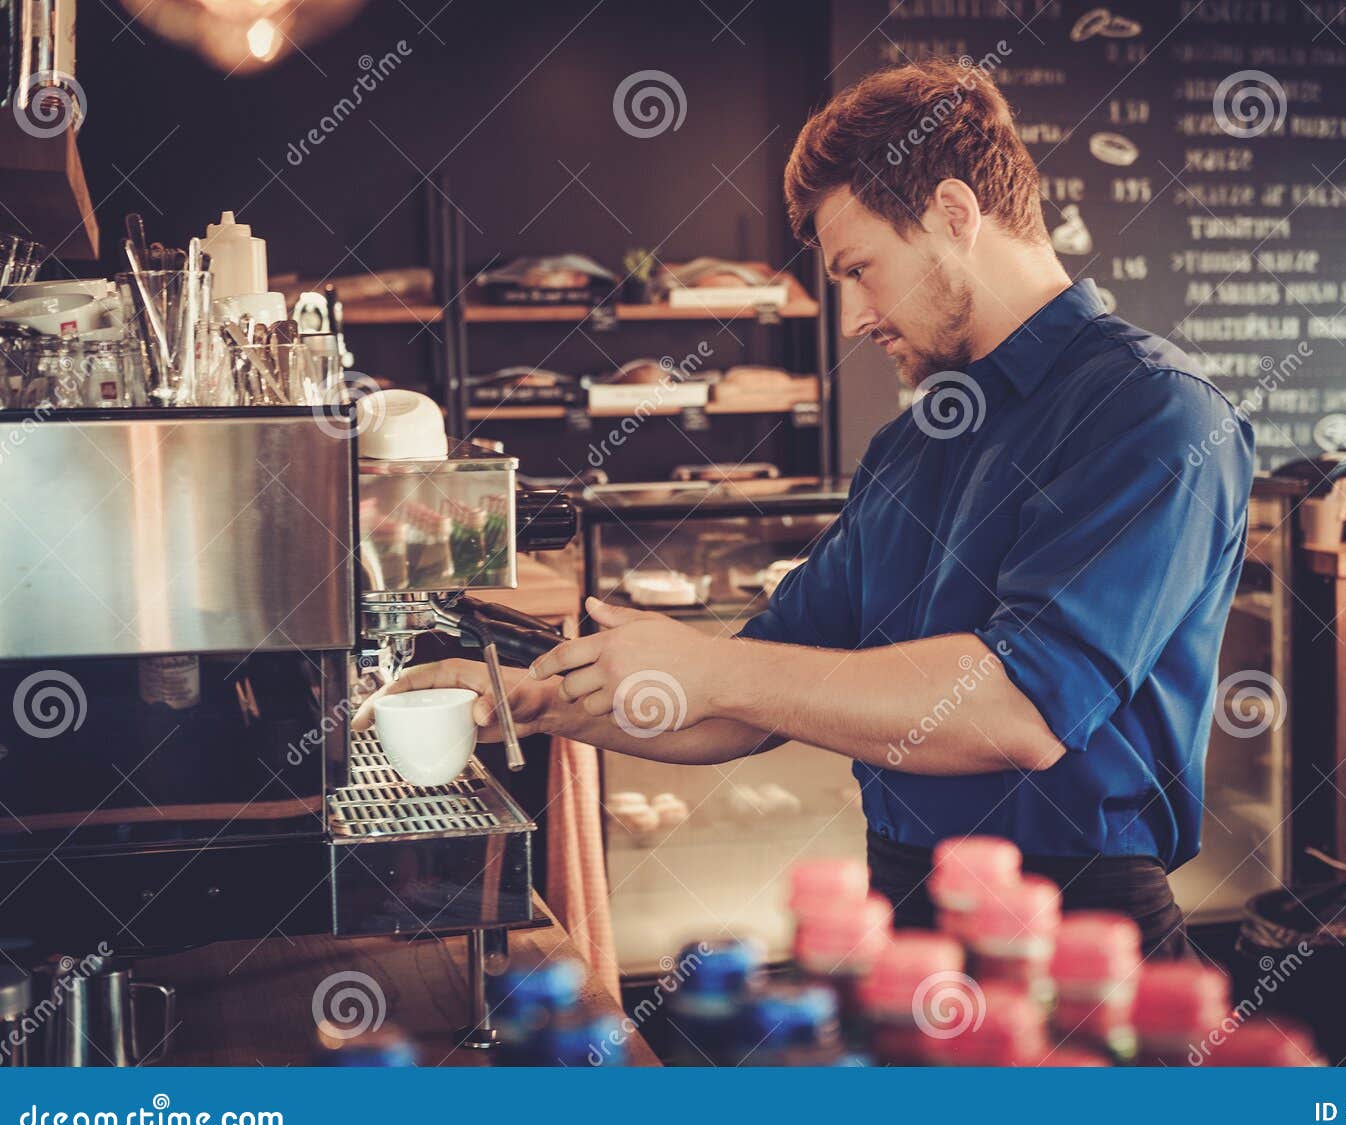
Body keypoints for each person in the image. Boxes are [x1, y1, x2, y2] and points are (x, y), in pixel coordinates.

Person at [358, 61, 1253, 959]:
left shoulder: (1151, 410)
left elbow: (1021, 710)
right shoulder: (913, 446)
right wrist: (538, 702)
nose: (856, 315)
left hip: (1077, 935)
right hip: (899, 912)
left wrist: (711, 670)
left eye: (861, 270)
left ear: (953, 214)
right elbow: (751, 698)